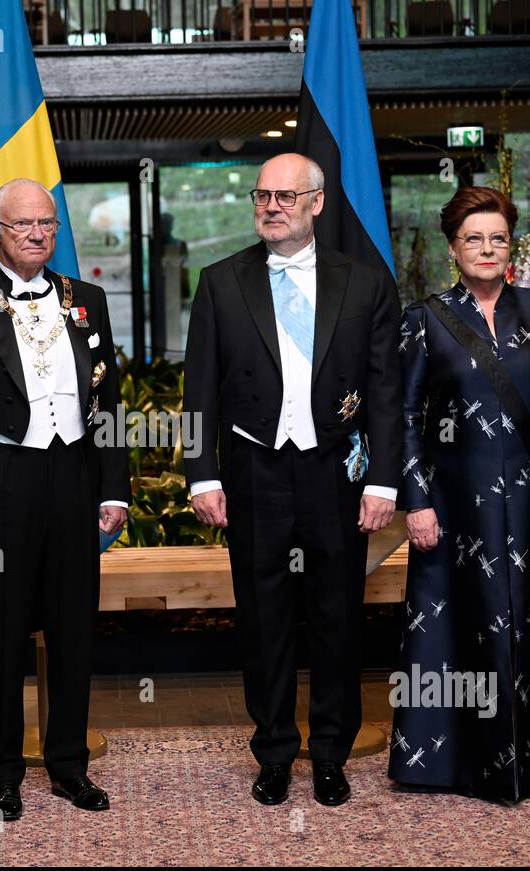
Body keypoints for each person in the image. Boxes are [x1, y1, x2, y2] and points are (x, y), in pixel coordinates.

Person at [387, 185, 530, 802]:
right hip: (456, 511)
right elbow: (406, 416)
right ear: (453, 248)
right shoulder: (426, 319)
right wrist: (416, 499)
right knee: (461, 628)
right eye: (473, 238)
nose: (486, 248)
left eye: (497, 237)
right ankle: (454, 764)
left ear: (510, 246)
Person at [184, 153, 403, 807]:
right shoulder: (221, 282)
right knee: (264, 620)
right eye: (261, 195)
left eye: (285, 196)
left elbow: (386, 393)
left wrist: (384, 481)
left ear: (317, 203)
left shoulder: (365, 285)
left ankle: (331, 753)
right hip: (254, 471)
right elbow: (198, 394)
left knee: (338, 619)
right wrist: (201, 474)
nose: (271, 206)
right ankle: (275, 751)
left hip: (336, 471)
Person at [0, 178, 130, 820]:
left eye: (46, 223)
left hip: (74, 477)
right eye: (22, 225)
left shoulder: (88, 300)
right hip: (2, 482)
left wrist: (115, 488)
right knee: (4, 636)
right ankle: (3, 774)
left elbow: (112, 406)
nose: (38, 233)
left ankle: (68, 766)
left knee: (74, 632)